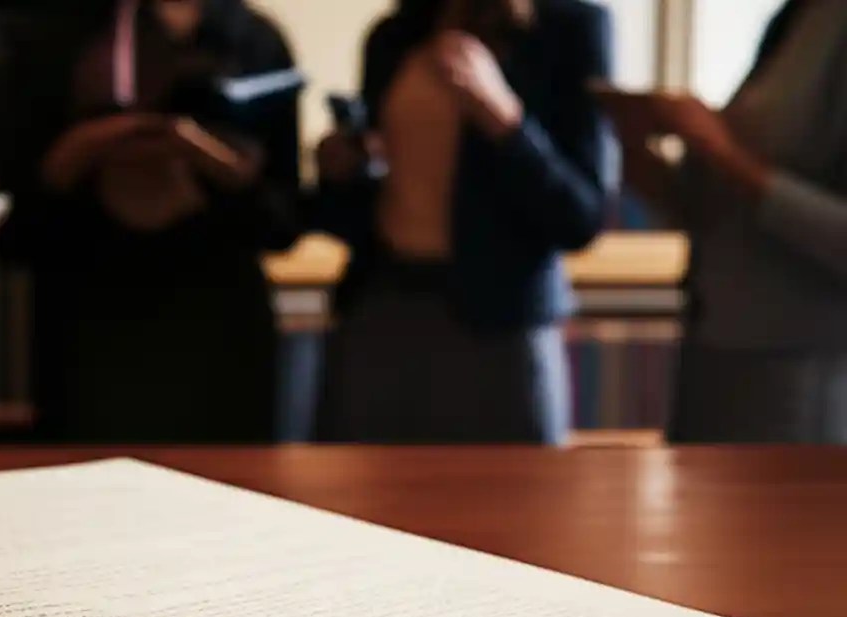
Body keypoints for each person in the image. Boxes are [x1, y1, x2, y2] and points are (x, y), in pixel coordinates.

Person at [0, 0, 301, 443]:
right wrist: (81, 152)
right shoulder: (50, 38)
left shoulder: (255, 43)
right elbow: (16, 223)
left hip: (217, 320)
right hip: (92, 318)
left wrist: (208, 159)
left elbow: (283, 220)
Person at [314, 0, 614, 444]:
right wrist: (343, 170)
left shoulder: (570, 27)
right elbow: (366, 203)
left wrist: (504, 119)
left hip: (501, 326)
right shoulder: (393, 36)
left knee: (514, 506)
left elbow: (581, 218)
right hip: (383, 311)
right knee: (356, 504)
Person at [604, 0, 847, 444]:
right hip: (713, 355)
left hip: (799, 375)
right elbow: (717, 216)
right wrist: (635, 147)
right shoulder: (798, 18)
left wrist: (720, 151)